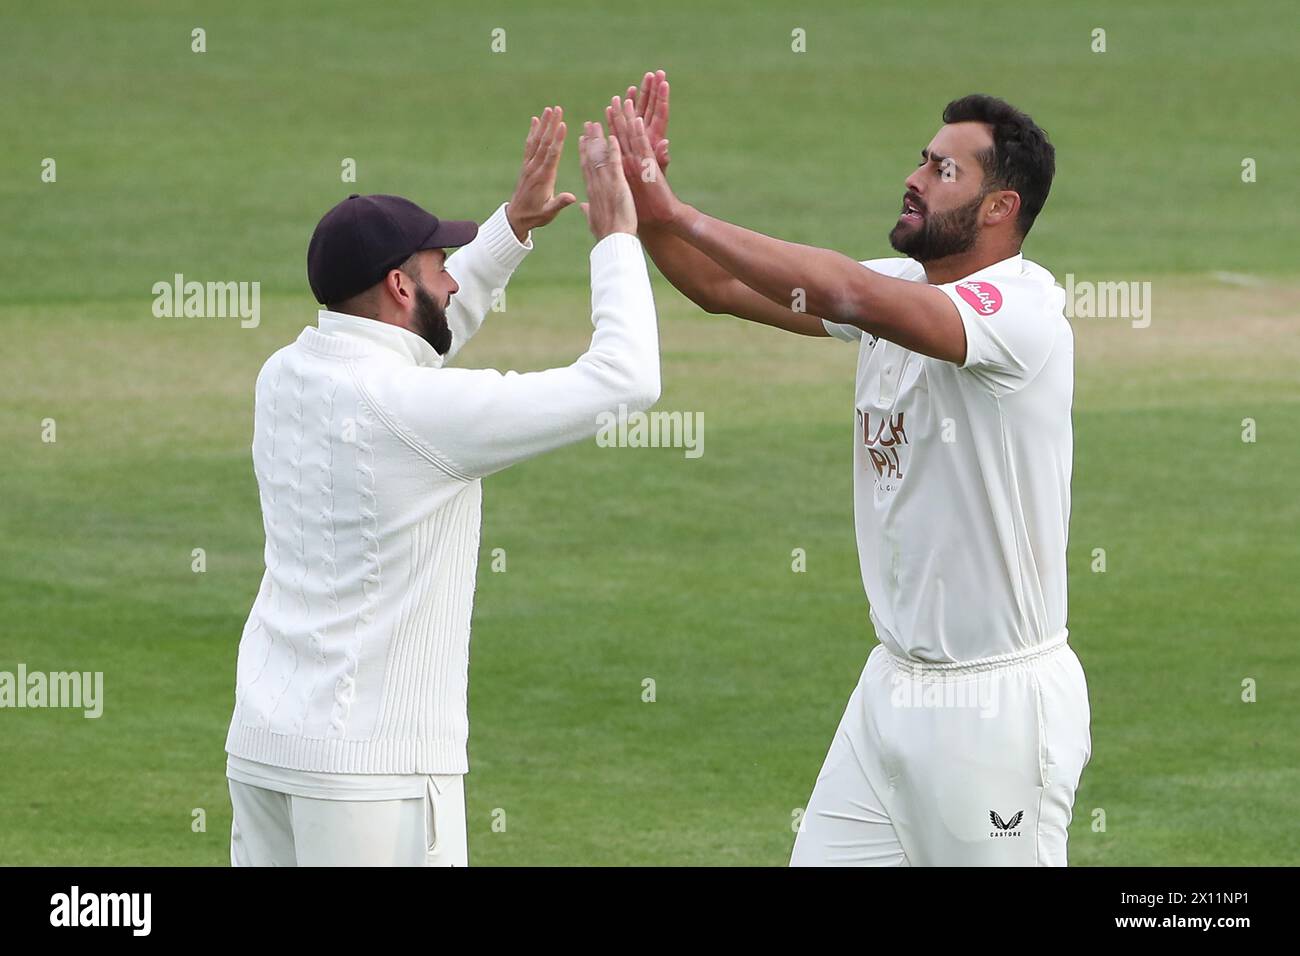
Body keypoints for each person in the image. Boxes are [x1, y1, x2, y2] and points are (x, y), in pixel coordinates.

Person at [609, 73, 1090, 866]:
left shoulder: (1022, 311)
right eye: (922, 159)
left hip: (998, 710)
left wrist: (680, 211)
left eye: (944, 171)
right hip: (889, 693)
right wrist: (649, 209)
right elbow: (719, 287)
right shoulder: (903, 284)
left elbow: (845, 292)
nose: (914, 177)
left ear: (1000, 207)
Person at [224, 109, 659, 866]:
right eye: (438, 264)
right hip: (372, 778)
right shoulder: (412, 410)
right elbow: (626, 381)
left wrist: (512, 228)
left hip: (266, 753)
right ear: (398, 283)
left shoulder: (285, 374)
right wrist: (618, 240)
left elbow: (416, 338)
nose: (453, 275)